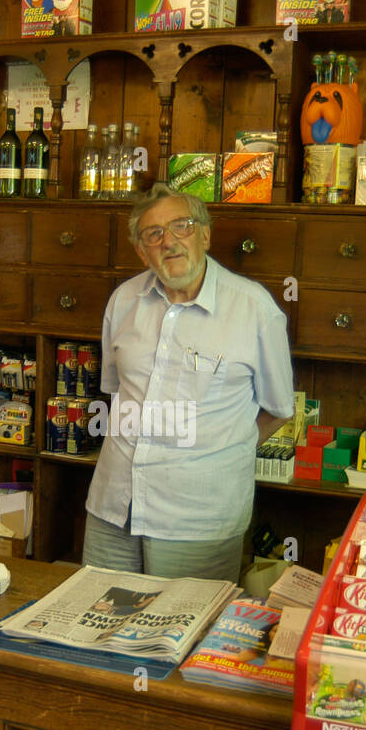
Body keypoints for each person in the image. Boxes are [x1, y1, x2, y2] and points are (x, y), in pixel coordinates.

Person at [82, 184, 294, 583]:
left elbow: (279, 409)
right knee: (97, 627)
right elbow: (116, 389)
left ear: (205, 234)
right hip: (114, 508)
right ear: (141, 251)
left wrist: (216, 451)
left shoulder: (254, 309)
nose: (169, 241)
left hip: (198, 520)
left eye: (182, 226)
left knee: (184, 636)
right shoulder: (124, 300)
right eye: (153, 234)